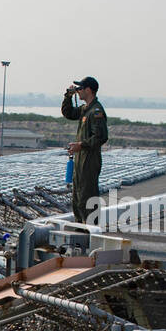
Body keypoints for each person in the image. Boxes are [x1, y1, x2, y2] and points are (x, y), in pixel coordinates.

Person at [60, 76, 108, 226]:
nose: (78, 91)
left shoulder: (96, 111)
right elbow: (68, 113)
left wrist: (81, 145)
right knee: (78, 197)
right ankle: (80, 226)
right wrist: (68, 96)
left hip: (89, 160)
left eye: (80, 88)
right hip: (81, 160)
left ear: (88, 90)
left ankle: (91, 229)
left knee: (88, 196)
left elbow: (101, 137)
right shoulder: (85, 110)